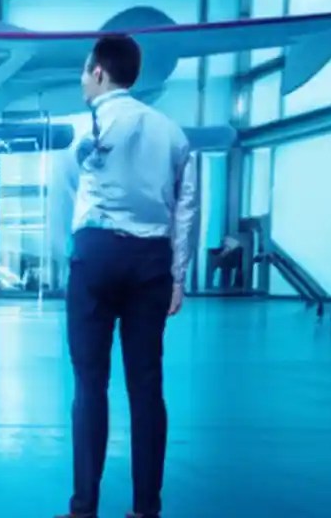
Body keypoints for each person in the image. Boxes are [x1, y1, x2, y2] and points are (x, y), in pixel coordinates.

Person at [58, 34, 198, 518]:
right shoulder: (172, 132)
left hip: (95, 254)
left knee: (89, 384)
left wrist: (75, 251)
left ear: (98, 72)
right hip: (151, 262)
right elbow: (185, 209)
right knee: (146, 386)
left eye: (84, 71)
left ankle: (84, 507)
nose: (82, 80)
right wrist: (178, 277)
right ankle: (145, 509)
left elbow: (68, 193)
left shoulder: (84, 127)